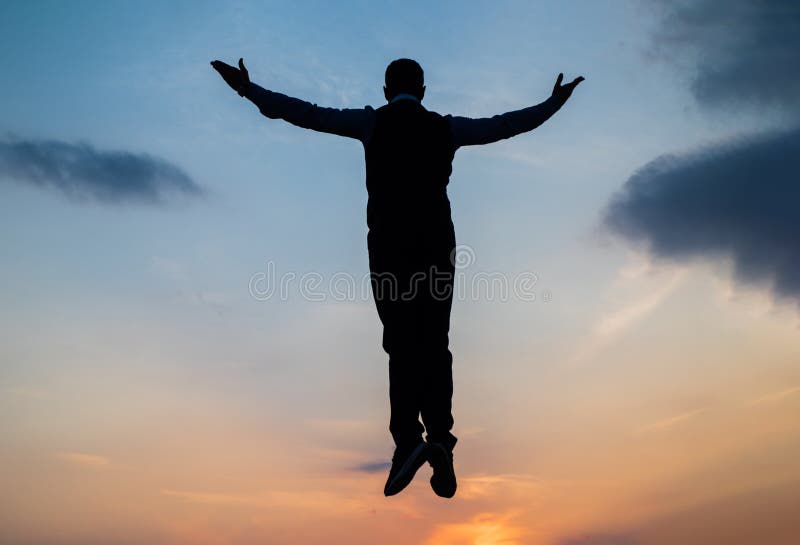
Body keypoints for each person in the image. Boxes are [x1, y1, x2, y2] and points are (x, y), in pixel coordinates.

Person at [211, 57, 583, 499]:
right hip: (437, 248)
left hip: (390, 248)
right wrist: (552, 104)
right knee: (435, 342)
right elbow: (505, 125)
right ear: (423, 91)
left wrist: (248, 89)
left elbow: (304, 113)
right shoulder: (446, 129)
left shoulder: (371, 124)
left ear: (386, 91)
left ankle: (408, 441)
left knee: (401, 343)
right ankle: (439, 438)